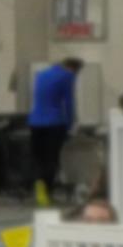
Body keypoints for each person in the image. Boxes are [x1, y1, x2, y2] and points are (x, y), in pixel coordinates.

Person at [28, 57, 83, 208]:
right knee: (51, 158)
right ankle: (47, 192)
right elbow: (68, 102)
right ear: (73, 68)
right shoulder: (67, 76)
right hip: (54, 122)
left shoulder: (41, 74)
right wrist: (72, 123)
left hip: (35, 121)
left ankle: (38, 185)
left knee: (38, 157)